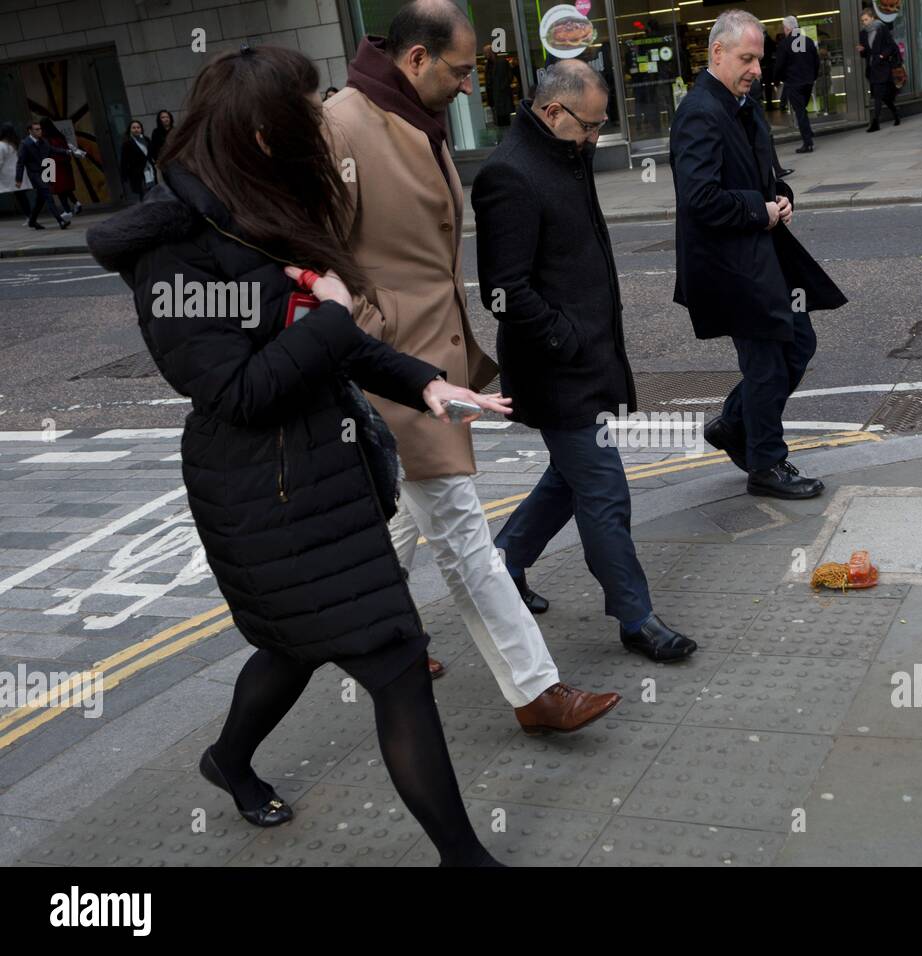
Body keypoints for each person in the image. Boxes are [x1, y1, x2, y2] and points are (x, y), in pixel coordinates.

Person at [85, 45, 500, 866]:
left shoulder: (258, 207)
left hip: (317, 474)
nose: (323, 121)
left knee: (293, 645)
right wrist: (334, 322)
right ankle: (467, 859)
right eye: (307, 112)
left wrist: (424, 383)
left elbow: (324, 339)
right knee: (393, 660)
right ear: (263, 132)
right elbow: (237, 388)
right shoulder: (175, 252)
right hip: (261, 488)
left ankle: (228, 760)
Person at [324, 0, 621, 733]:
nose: (468, 86)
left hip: (429, 362)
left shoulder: (412, 118)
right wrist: (376, 346)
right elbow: (320, 259)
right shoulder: (343, 124)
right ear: (416, 60)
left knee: (396, 518)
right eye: (459, 71)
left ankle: (375, 640)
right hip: (394, 369)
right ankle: (537, 692)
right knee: (462, 536)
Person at [474, 60, 697, 664]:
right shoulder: (509, 176)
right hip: (556, 368)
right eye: (590, 126)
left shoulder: (563, 156)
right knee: (602, 487)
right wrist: (566, 339)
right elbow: (502, 289)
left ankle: (502, 564)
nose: (595, 137)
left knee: (568, 480)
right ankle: (635, 616)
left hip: (588, 355)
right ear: (552, 111)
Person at [670, 9, 846, 501]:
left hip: (761, 256)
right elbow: (699, 198)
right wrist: (760, 210)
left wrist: (781, 195)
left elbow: (755, 174)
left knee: (798, 344)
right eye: (746, 58)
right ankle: (766, 464)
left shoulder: (737, 104)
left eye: (759, 59)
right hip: (731, 268)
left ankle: (732, 423)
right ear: (717, 53)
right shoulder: (699, 112)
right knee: (768, 362)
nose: (755, 69)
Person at [14, 120, 79, 230]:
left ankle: (32, 221)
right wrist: (18, 179)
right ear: (30, 131)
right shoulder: (25, 144)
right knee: (48, 195)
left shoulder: (43, 141)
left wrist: (67, 151)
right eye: (37, 129)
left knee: (41, 199)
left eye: (40, 129)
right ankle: (61, 221)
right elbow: (20, 163)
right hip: (35, 174)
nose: (40, 131)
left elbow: (53, 149)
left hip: (46, 171)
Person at [772, 15, 819, 153]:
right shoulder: (808, 41)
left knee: (800, 112)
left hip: (794, 83)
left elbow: (779, 65)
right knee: (802, 110)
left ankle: (808, 143)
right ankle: (809, 132)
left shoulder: (784, 44)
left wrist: (777, 80)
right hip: (808, 82)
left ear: (787, 28)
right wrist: (813, 77)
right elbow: (816, 62)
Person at [859, 6, 901, 131]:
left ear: (872, 18)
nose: (864, 22)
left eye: (866, 20)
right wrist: (862, 50)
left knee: (878, 95)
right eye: (863, 20)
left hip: (882, 67)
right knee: (883, 97)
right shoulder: (863, 33)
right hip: (872, 68)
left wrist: (882, 55)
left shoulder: (882, 29)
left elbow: (891, 46)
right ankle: (896, 114)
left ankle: (875, 122)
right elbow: (864, 54)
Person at [39, 118, 80, 217]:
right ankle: (76, 203)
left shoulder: (45, 138)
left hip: (55, 165)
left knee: (60, 189)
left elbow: (47, 152)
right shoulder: (59, 136)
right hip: (65, 164)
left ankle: (67, 210)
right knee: (66, 187)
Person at [0, 123, 33, 221]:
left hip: (8, 175)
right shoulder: (17, 143)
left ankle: (30, 216)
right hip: (20, 172)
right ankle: (29, 216)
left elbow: (0, 161)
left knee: (20, 196)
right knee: (21, 196)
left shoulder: (2, 145)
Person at [119, 119, 157, 201]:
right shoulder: (127, 143)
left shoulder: (146, 140)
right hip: (138, 172)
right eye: (134, 128)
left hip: (150, 170)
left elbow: (152, 153)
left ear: (141, 129)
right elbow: (124, 161)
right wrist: (124, 176)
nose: (136, 129)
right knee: (144, 194)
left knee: (153, 192)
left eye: (138, 127)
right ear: (130, 130)